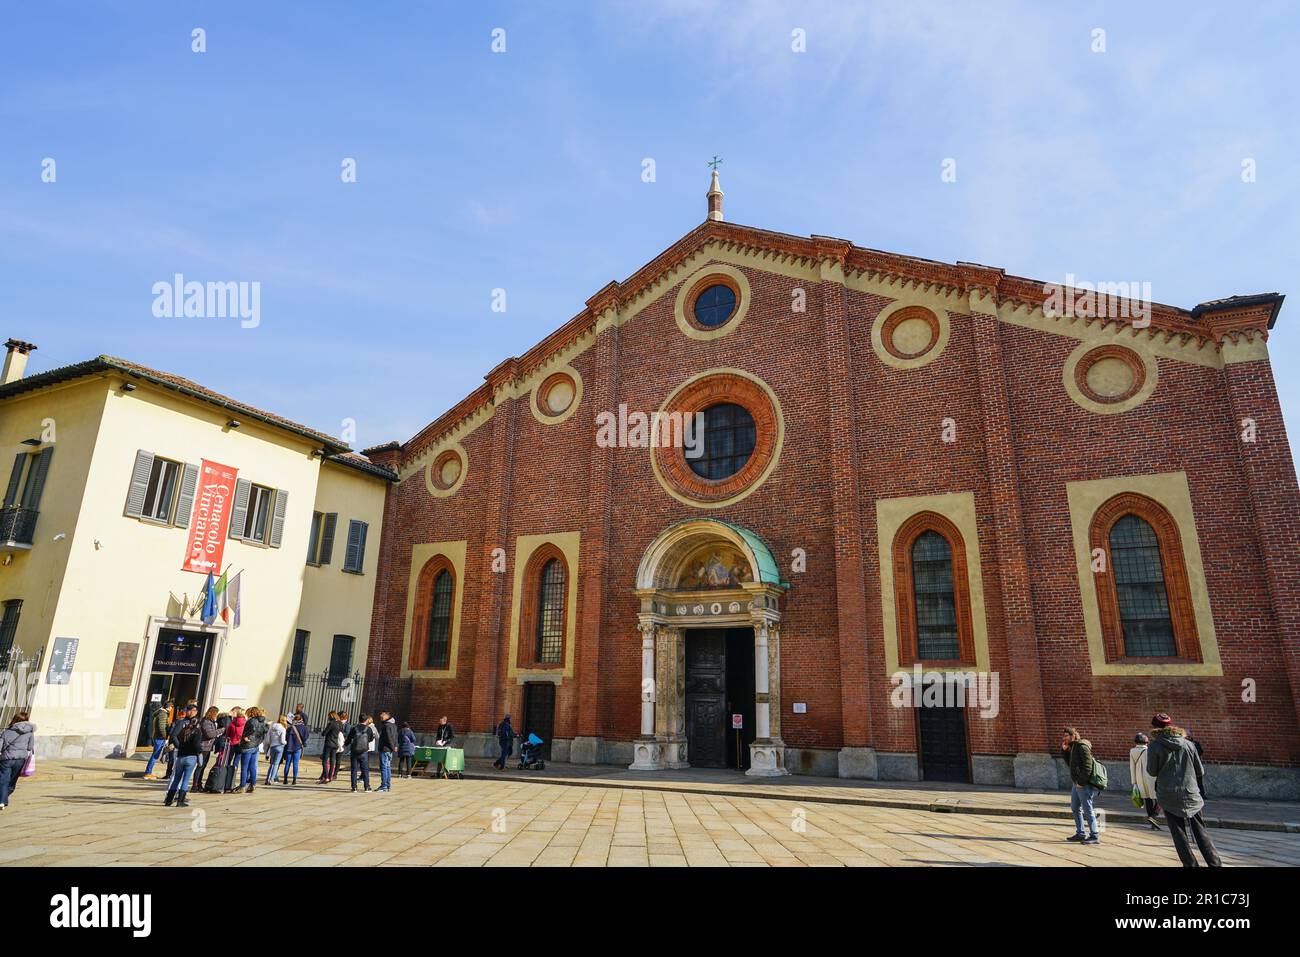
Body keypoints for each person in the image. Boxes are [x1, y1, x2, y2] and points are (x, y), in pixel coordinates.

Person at [1147, 713, 1221, 867]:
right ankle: (1215, 863)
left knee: (1179, 834)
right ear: (1172, 726)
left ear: (1155, 728)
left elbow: (1152, 771)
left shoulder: (1154, 746)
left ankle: (1190, 864)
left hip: (1168, 795)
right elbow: (1200, 771)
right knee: (1201, 832)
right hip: (1190, 793)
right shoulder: (1188, 744)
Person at [1061, 727, 1101, 845]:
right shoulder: (1073, 747)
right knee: (1075, 807)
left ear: (1073, 735)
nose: (1064, 738)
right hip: (1076, 783)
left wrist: (1081, 783)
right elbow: (1070, 764)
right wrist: (1064, 751)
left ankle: (1094, 835)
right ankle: (1080, 833)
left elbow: (1088, 767)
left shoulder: (1082, 747)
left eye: (1066, 736)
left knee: (1088, 809)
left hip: (1084, 784)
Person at [164, 704, 202, 807]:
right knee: (181, 778)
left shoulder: (192, 726)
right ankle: (177, 799)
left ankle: (170, 799)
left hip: (183, 754)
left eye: (195, 711)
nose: (193, 713)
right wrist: (179, 746)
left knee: (177, 778)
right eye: (192, 710)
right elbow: (173, 735)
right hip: (186, 754)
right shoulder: (183, 723)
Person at [0, 710, 35, 810]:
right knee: (12, 781)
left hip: (6, 759)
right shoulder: (29, 733)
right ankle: (3, 800)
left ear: (15, 720)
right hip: (20, 759)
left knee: (3, 780)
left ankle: (2, 801)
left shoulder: (6, 731)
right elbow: (30, 747)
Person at [1129, 732, 1161, 829]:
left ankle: (1152, 823)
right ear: (1146, 741)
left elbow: (1132, 767)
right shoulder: (1150, 750)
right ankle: (1153, 815)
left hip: (1139, 778)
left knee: (1147, 799)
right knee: (1159, 798)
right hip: (1151, 777)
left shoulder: (1132, 751)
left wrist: (1134, 781)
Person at [236, 706, 268, 793]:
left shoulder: (252, 720)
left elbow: (250, 730)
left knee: (244, 767)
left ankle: (242, 786)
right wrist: (259, 741)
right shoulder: (262, 721)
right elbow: (264, 731)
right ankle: (253, 785)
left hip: (248, 746)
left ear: (251, 713)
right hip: (255, 746)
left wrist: (245, 736)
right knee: (253, 767)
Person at [142, 698, 173, 780]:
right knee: (155, 756)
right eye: (171, 707)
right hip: (159, 737)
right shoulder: (163, 714)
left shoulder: (161, 713)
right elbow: (162, 727)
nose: (171, 709)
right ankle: (148, 773)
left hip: (158, 737)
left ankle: (148, 772)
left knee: (155, 755)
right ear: (168, 707)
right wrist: (165, 737)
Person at [192, 706, 222, 792]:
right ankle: (195, 786)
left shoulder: (210, 722)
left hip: (207, 747)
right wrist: (221, 730)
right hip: (203, 747)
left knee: (203, 766)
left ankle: (199, 784)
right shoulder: (206, 722)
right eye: (216, 714)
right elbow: (210, 734)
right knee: (200, 766)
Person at [345, 713, 376, 792]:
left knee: (354, 769)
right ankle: (366, 787)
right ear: (366, 720)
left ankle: (354, 787)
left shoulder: (354, 728)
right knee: (365, 769)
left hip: (354, 751)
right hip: (364, 751)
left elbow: (348, 739)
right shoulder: (368, 729)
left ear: (359, 719)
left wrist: (345, 744)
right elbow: (371, 739)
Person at [283, 712, 309, 785]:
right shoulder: (304, 728)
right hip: (298, 747)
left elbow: (285, 737)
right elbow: (306, 737)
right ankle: (294, 780)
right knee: (296, 763)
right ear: (301, 719)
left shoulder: (290, 728)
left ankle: (285, 779)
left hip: (289, 747)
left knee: (287, 763)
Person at [376, 710, 399, 792]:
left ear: (387, 716)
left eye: (382, 714)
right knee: (388, 767)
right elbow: (396, 737)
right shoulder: (393, 725)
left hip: (385, 749)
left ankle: (384, 786)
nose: (380, 716)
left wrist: (393, 747)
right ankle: (387, 785)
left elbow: (389, 738)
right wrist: (395, 746)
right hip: (390, 749)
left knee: (384, 767)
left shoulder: (386, 726)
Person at [318, 711, 342, 784]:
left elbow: (324, 733)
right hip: (335, 744)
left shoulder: (331, 723)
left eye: (328, 716)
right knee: (332, 761)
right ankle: (330, 776)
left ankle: (326, 777)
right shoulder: (340, 723)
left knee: (324, 761)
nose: (328, 717)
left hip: (329, 744)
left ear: (331, 716)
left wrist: (325, 732)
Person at [265, 714, 288, 784]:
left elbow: (268, 740)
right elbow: (282, 741)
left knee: (271, 763)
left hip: (272, 747)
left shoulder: (272, 727)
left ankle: (267, 779)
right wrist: (286, 743)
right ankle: (272, 779)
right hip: (280, 747)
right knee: (276, 764)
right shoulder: (283, 729)